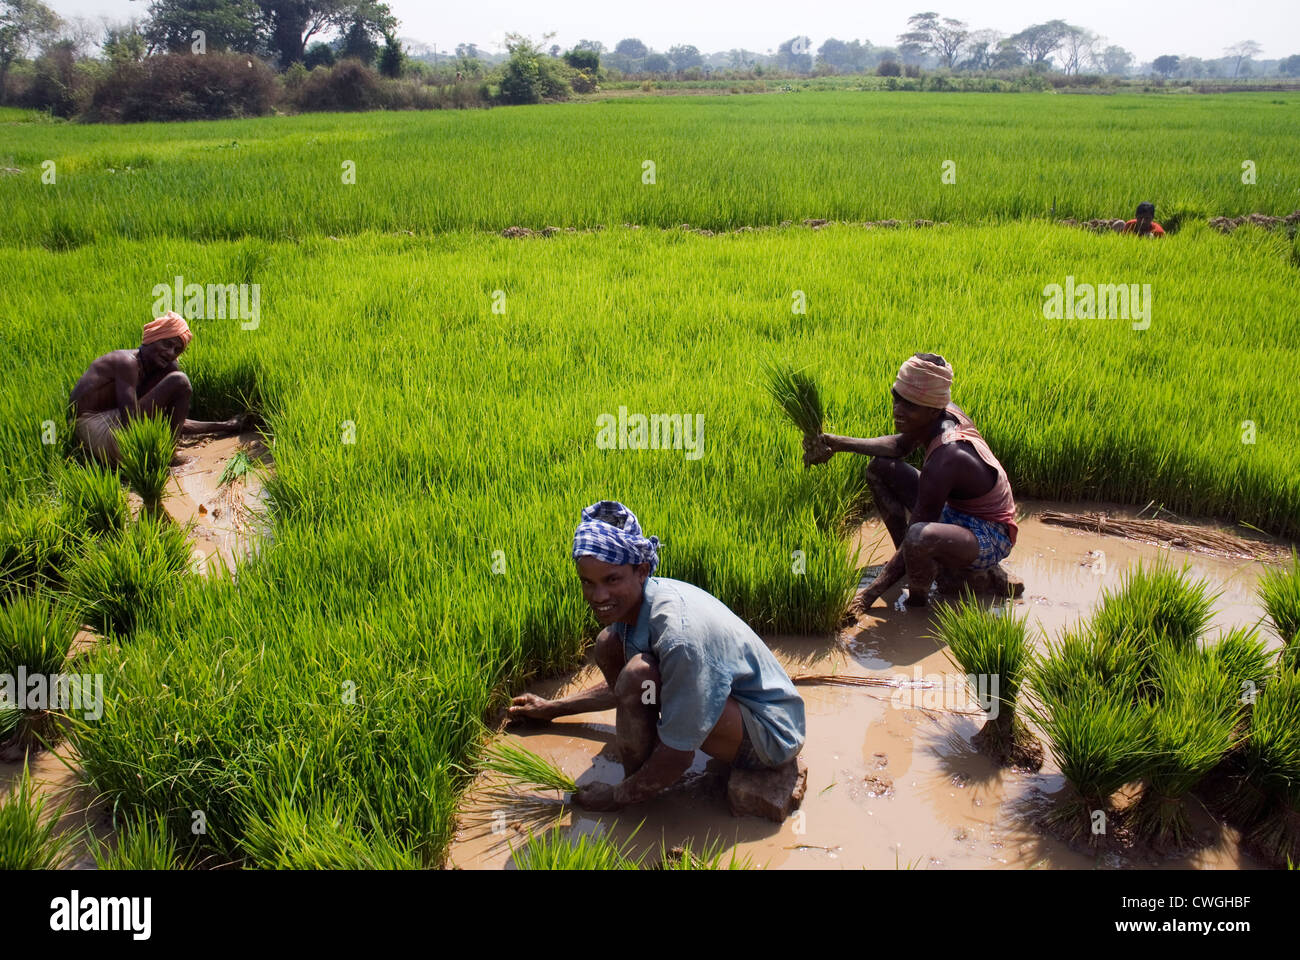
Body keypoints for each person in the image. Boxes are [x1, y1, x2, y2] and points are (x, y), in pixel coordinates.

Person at [507, 501, 805, 811]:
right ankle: (646, 760)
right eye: (587, 582)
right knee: (608, 644)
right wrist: (553, 708)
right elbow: (624, 687)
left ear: (641, 570)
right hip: (731, 707)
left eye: (611, 580)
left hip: (770, 736)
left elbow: (678, 751)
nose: (598, 597)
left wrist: (612, 797)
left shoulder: (679, 636)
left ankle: (644, 789)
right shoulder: (638, 606)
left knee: (640, 674)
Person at [804, 353, 1019, 609]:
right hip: (954, 513)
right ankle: (908, 561)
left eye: (909, 406)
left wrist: (868, 596)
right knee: (879, 468)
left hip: (989, 533)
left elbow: (920, 525)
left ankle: (918, 601)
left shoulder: (948, 456)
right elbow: (898, 446)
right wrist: (835, 443)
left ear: (931, 409)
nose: (898, 410)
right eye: (897, 399)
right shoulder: (937, 414)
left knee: (917, 536)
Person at [68, 311, 248, 466]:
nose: (171, 353)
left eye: (177, 350)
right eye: (167, 344)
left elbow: (173, 422)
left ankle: (164, 452)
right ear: (152, 339)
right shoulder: (126, 363)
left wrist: (226, 426)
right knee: (179, 380)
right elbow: (131, 422)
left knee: (174, 373)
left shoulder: (148, 370)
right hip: (96, 430)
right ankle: (168, 455)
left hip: (112, 427)